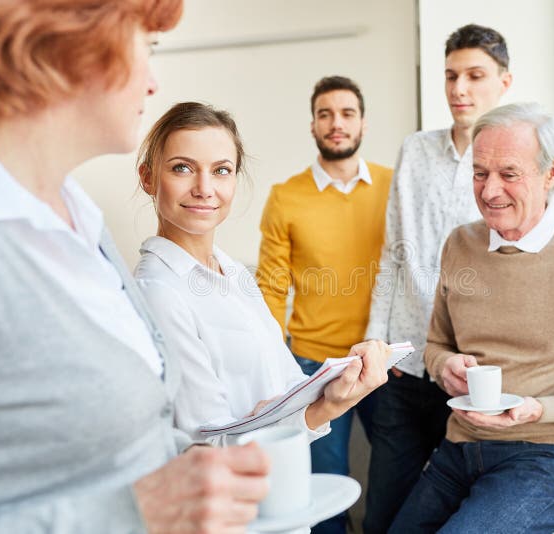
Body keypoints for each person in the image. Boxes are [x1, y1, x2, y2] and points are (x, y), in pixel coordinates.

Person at [0, 2, 269, 532]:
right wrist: (131, 515)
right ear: (66, 41)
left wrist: (198, 472)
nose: (153, 82)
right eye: (147, 46)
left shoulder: (73, 214)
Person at [388, 103, 554, 533]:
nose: (490, 191)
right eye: (479, 173)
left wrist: (540, 409)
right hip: (461, 448)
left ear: (552, 172)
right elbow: (437, 346)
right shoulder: (460, 244)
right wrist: (445, 366)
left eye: (509, 174)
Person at [133, 101, 389, 450]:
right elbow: (208, 443)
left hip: (274, 480)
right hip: (226, 494)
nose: (205, 188)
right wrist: (326, 408)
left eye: (221, 170)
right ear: (148, 178)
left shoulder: (233, 271)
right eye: (182, 168)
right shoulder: (158, 291)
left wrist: (337, 389)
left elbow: (287, 383)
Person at [363, 23, 513, 533]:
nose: (459, 89)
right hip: (403, 368)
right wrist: (375, 342)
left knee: (453, 517)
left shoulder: (516, 166)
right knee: (384, 516)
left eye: (475, 75)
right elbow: (392, 253)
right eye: (451, 76)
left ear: (504, 83)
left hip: (472, 375)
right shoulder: (415, 151)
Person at [256, 75, 393, 534]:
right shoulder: (285, 196)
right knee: (321, 486)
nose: (337, 123)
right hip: (315, 363)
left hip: (384, 360)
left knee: (395, 479)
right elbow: (271, 287)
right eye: (325, 114)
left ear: (363, 123)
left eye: (347, 113)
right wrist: (274, 361)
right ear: (313, 124)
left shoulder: (395, 187)